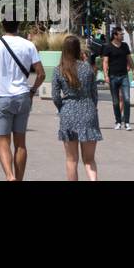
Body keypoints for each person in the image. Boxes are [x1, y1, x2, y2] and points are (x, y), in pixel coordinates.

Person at [0, 20, 44, 181]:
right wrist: (33, 90)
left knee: (3, 140)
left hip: (2, 97)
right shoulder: (28, 45)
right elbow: (41, 74)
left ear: (3, 26)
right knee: (20, 143)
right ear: (19, 26)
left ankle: (9, 176)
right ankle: (19, 179)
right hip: (22, 96)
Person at [52, 34, 102, 181]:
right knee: (89, 160)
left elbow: (55, 96)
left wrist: (62, 107)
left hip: (68, 112)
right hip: (88, 111)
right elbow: (94, 94)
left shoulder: (58, 70)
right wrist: (92, 108)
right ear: (78, 49)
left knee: (71, 160)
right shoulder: (87, 68)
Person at [101, 28, 133, 130]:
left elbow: (129, 58)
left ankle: (127, 122)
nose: (122, 36)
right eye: (121, 34)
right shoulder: (108, 47)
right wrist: (105, 75)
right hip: (113, 76)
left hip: (124, 76)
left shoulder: (125, 46)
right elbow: (105, 62)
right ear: (115, 35)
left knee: (127, 99)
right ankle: (118, 121)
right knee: (115, 101)